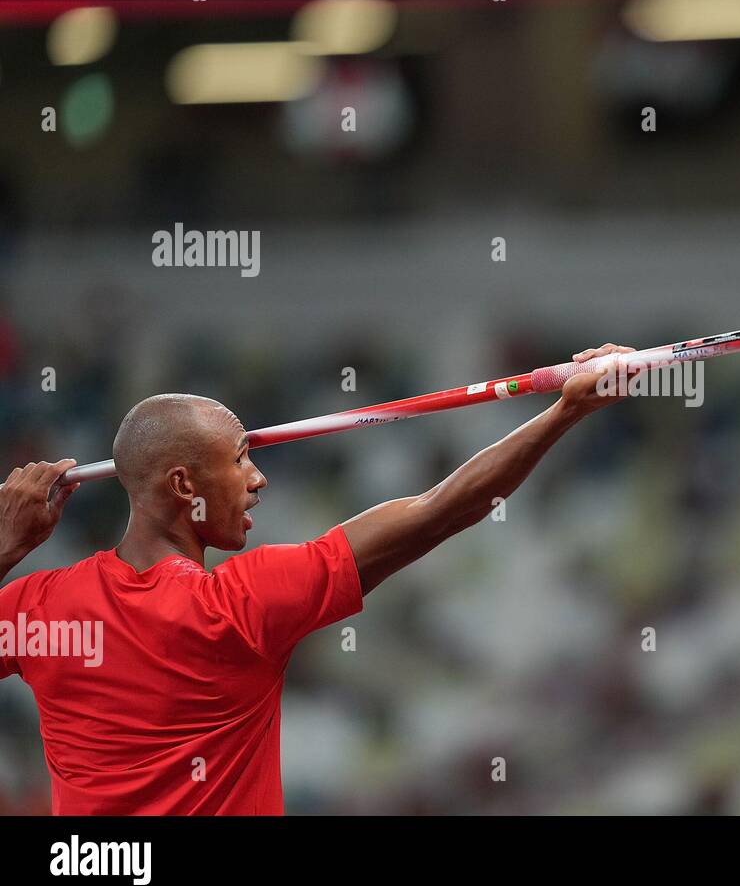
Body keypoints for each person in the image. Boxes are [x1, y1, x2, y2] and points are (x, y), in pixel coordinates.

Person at [0, 344, 633, 814]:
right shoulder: (241, 605)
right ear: (183, 486)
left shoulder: (41, 609)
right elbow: (440, 510)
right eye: (242, 459)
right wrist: (565, 413)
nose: (258, 480)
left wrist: (7, 545)